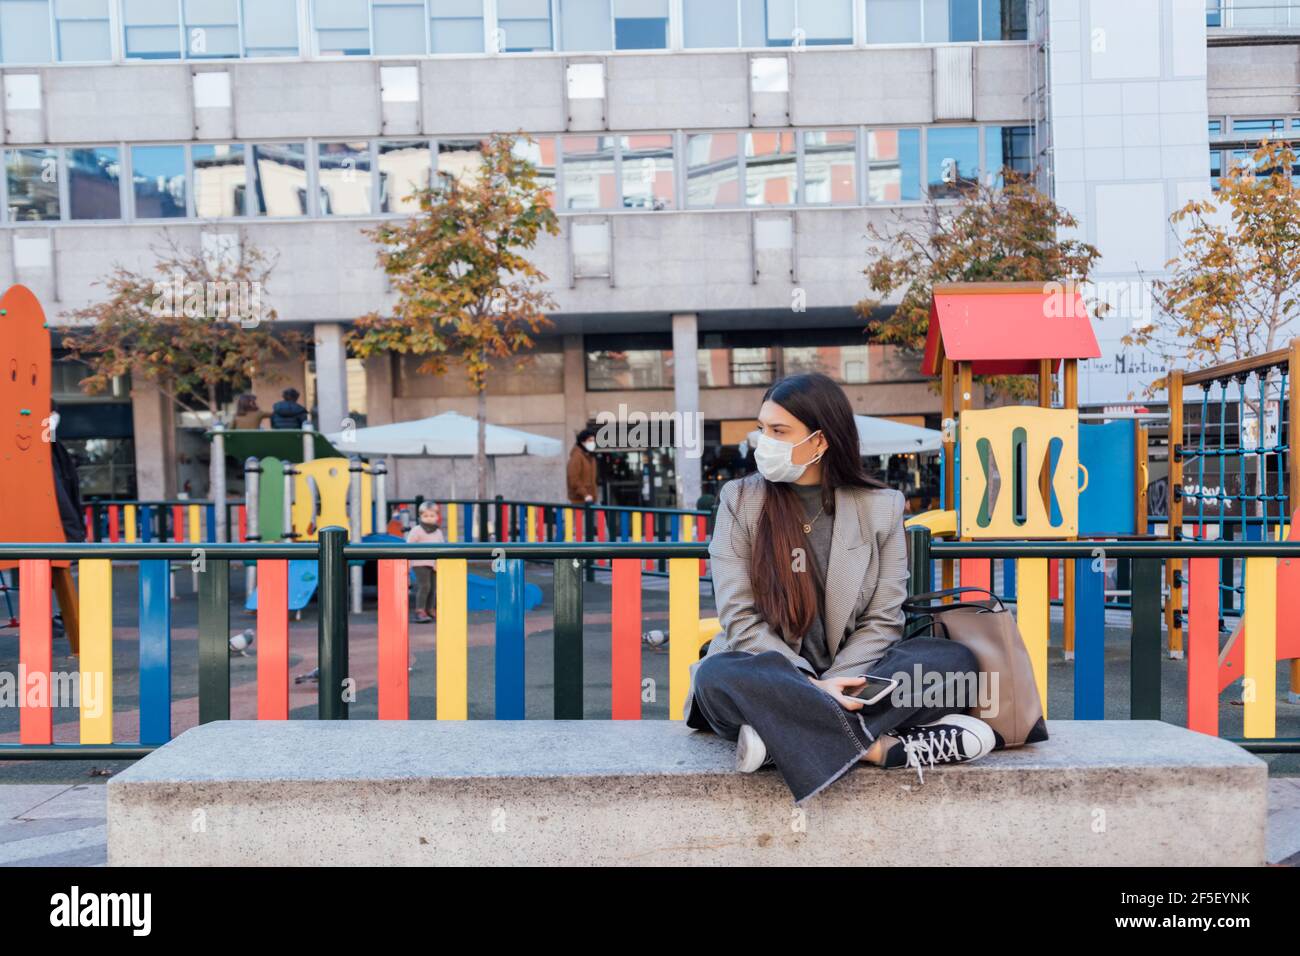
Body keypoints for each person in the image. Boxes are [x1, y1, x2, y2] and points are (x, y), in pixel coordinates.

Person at [681, 372, 995, 806]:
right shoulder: (740, 500)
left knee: (952, 661)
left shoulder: (881, 507)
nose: (762, 441)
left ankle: (781, 740)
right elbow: (739, 617)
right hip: (769, 672)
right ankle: (882, 747)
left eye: (778, 431)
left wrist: (833, 684)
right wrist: (807, 684)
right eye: (761, 428)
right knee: (716, 676)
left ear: (820, 442)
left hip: (855, 672)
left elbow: (884, 618)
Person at [405, 501, 444, 623]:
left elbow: (442, 548)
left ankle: (430, 608)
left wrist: (438, 562)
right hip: (419, 563)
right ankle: (420, 610)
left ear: (437, 517)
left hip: (433, 563)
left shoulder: (438, 532)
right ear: (420, 517)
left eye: (432, 516)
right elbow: (409, 545)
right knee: (425, 586)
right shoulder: (417, 530)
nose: (429, 518)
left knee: (433, 587)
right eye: (425, 516)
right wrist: (408, 563)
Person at [566, 427, 598, 505]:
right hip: (579, 502)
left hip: (591, 501)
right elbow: (573, 479)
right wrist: (585, 494)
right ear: (582, 442)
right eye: (590, 441)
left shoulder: (591, 458)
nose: (593, 443)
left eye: (593, 441)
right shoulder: (576, 457)